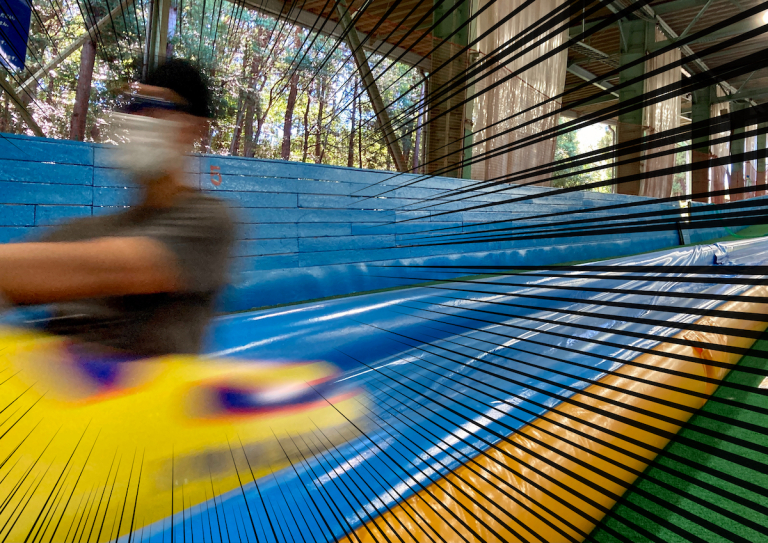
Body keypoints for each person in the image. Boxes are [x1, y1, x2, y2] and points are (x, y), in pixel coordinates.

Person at [0, 59, 235, 357]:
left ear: (195, 129)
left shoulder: (210, 222)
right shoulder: (84, 230)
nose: (141, 119)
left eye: (158, 108)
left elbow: (111, 269)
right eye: (135, 108)